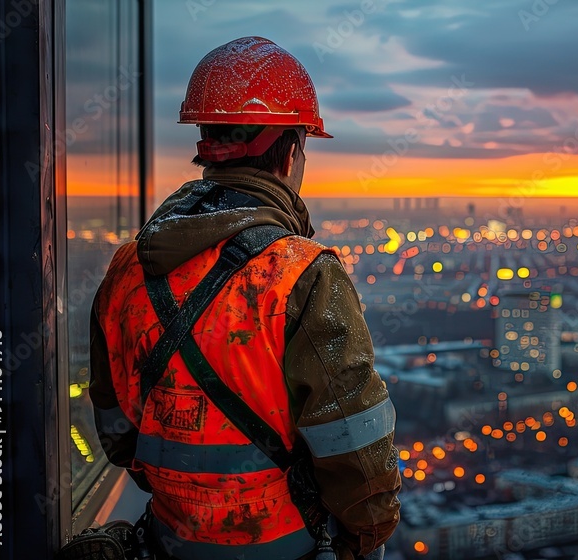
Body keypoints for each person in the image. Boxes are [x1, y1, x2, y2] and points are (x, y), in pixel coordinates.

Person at [88, 36, 401, 560]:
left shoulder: (127, 268)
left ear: (208, 144)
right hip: (287, 543)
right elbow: (355, 450)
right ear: (292, 150)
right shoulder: (302, 273)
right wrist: (364, 540)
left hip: (167, 539)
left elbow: (117, 432)